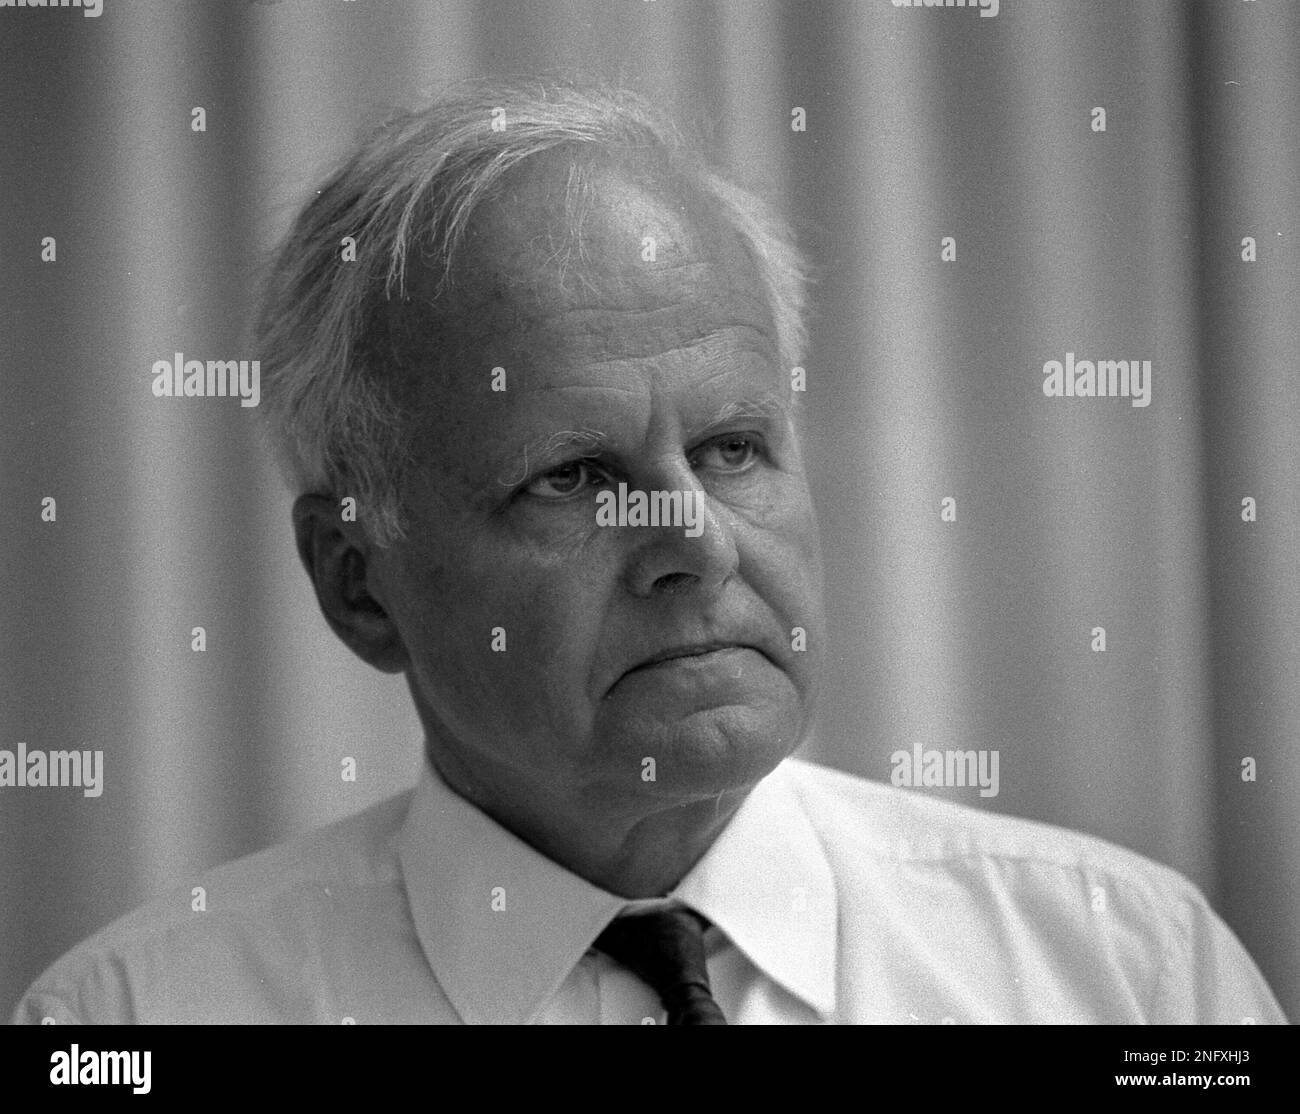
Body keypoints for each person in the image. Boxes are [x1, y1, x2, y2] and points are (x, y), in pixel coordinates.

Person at [12, 76, 1286, 1025]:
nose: (693, 542)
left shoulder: (1127, 972)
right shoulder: (128, 1022)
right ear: (359, 582)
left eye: (733, 447)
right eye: (571, 476)